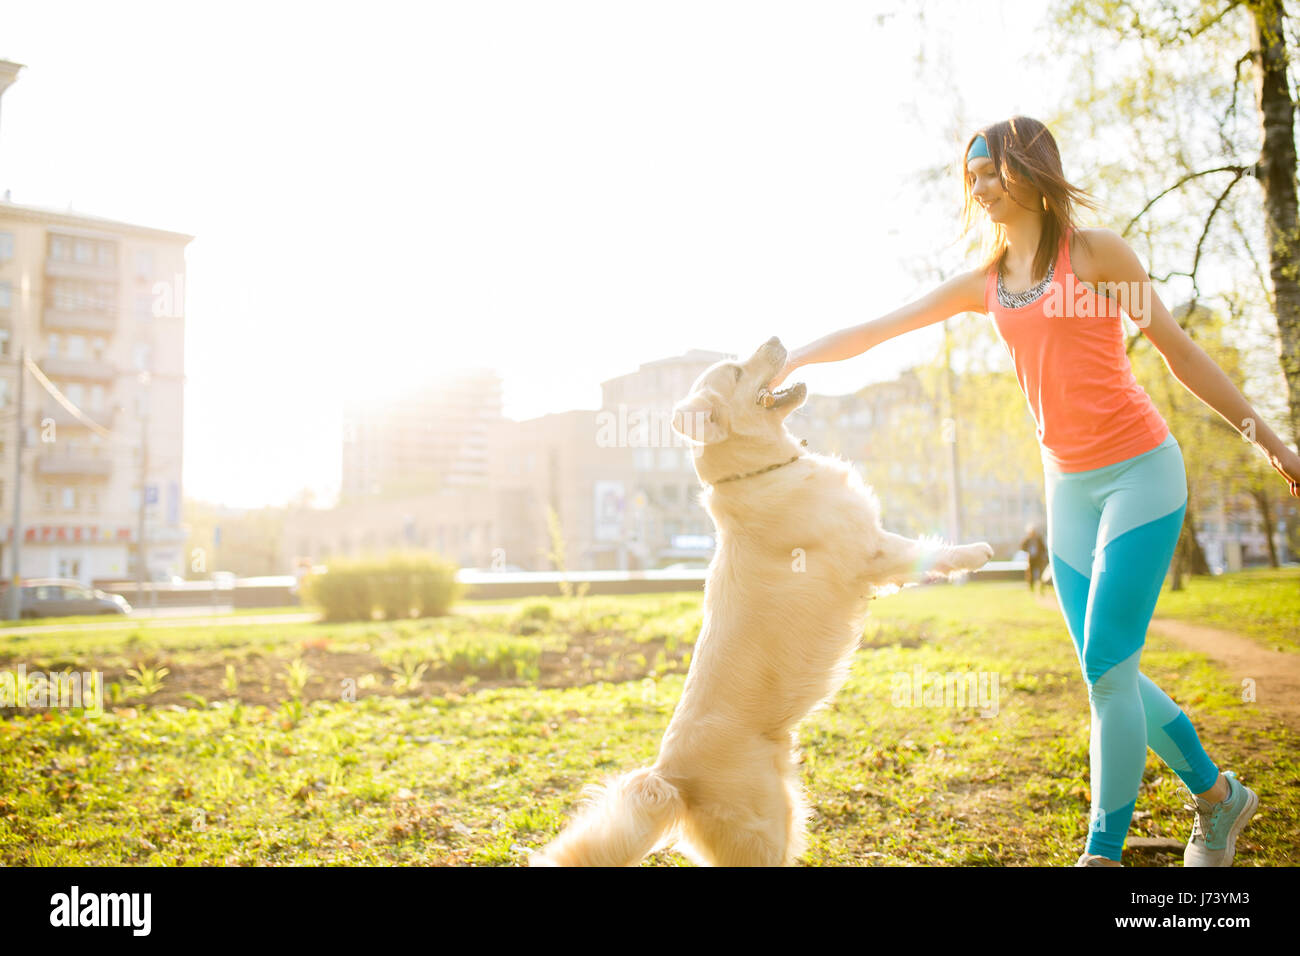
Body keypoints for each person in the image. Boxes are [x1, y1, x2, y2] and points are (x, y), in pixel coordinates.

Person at [768, 116, 1300, 867]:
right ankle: (1219, 800)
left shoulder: (1097, 254)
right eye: (972, 177)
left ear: (1032, 169)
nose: (980, 188)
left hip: (1143, 472)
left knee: (1108, 665)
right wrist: (789, 360)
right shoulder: (987, 284)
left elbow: (1180, 354)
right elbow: (880, 329)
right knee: (1108, 671)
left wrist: (1276, 444)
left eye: (992, 172)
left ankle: (1100, 856)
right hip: (1069, 490)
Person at [1019, 523, 1048, 592]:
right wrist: (1027, 551)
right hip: (1031, 559)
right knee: (1030, 574)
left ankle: (1041, 588)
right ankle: (1031, 587)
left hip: (1038, 559)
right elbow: (1022, 547)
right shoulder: (1027, 540)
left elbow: (1043, 548)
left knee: (1041, 574)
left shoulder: (1039, 539)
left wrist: (1043, 556)